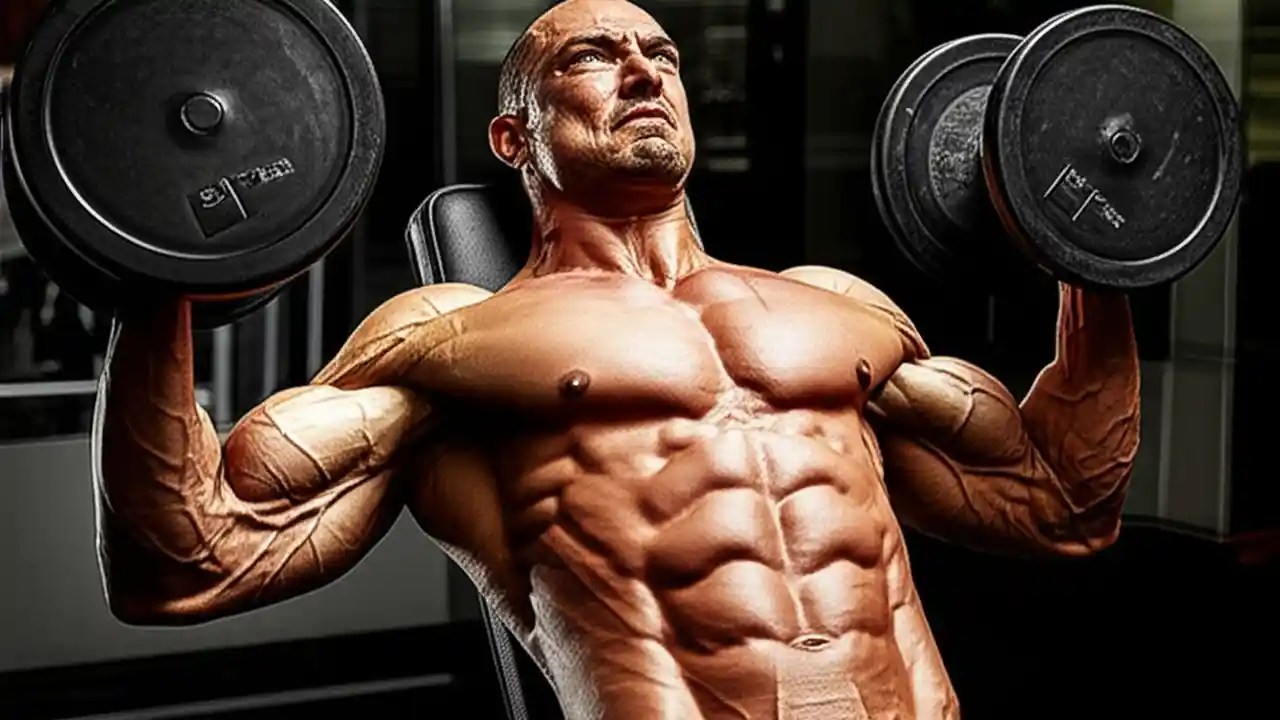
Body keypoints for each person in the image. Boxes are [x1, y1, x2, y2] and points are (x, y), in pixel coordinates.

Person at [94, 0, 1140, 717]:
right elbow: (187, 562)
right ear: (514, 139)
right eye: (589, 56)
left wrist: (1088, 255)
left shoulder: (835, 309)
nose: (643, 68)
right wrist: (151, 265)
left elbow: (1062, 505)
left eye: (663, 54)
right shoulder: (452, 341)